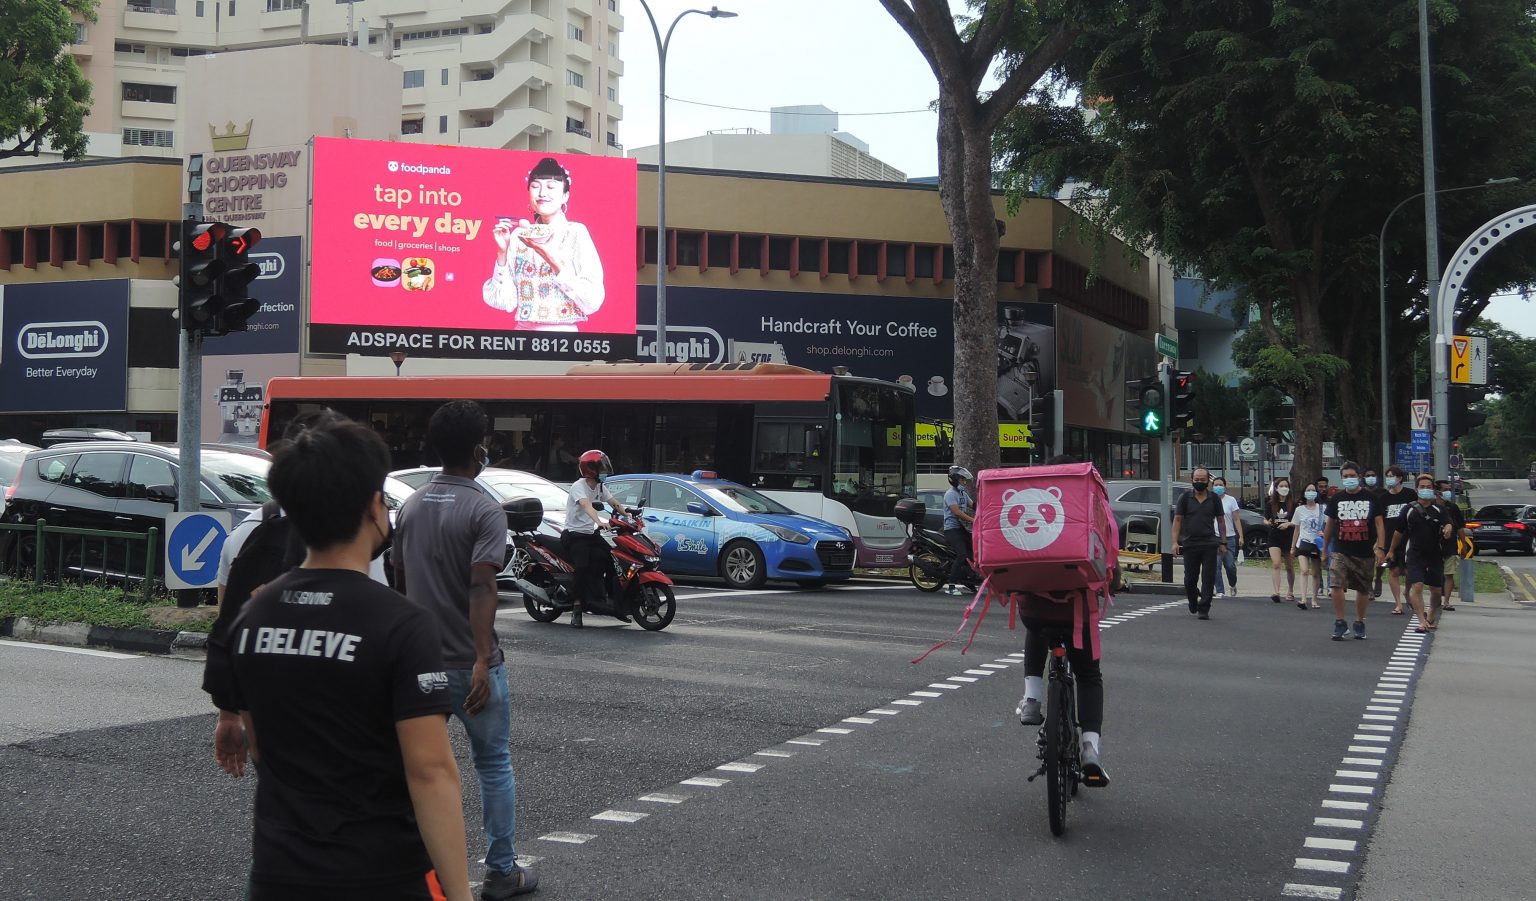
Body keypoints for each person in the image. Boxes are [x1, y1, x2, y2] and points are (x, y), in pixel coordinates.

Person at [226, 418, 473, 901]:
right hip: (381, 875)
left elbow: (260, 749)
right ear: (373, 506)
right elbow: (430, 771)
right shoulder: (401, 624)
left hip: (279, 872)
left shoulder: (253, 615)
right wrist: (460, 894)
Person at [394, 401, 539, 899]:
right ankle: (501, 871)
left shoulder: (410, 506)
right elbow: (482, 588)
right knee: (493, 763)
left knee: (418, 768)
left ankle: (415, 868)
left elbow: (400, 581)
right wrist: (481, 659)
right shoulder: (484, 509)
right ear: (480, 448)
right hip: (469, 664)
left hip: (418, 665)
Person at [1013, 454, 1110, 787]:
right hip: (1077, 614)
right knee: (1088, 675)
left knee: (1036, 626)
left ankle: (1032, 697)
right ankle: (1090, 749)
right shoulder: (1089, 507)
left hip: (1034, 611)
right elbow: (1107, 556)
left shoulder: (1027, 502)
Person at [483, 157, 605, 331]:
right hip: (522, 335)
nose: (542, 194)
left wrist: (548, 256)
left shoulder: (575, 233)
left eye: (551, 187)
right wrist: (501, 253)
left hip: (562, 336)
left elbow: (592, 300)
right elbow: (504, 302)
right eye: (535, 186)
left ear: (565, 196)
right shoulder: (519, 235)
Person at [1322, 461, 1386, 641]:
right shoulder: (1337, 499)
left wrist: (1380, 548)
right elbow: (1329, 525)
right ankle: (1340, 621)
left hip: (1365, 550)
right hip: (1341, 549)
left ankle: (1359, 621)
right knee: (1335, 583)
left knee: (1363, 588)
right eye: (1345, 477)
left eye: (1352, 476)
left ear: (1359, 477)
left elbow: (1380, 524)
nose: (1349, 479)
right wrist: (1325, 550)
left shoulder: (1371, 498)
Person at [1388, 473, 1452, 632]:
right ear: (1416, 489)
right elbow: (1398, 532)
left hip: (1435, 555)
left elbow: (1449, 523)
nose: (1425, 490)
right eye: (1422, 487)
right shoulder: (1408, 509)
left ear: (1433, 490)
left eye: (1428, 487)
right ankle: (1422, 621)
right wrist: (1390, 550)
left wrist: (1448, 529)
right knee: (1417, 586)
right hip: (1414, 554)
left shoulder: (1439, 509)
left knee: (1436, 591)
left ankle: (1431, 614)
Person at [564, 448, 620, 629]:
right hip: (575, 535)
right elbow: (587, 506)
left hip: (591, 535)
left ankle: (607, 597)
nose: (605, 471)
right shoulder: (578, 487)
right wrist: (599, 521)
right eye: (601, 467)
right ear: (591, 470)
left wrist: (628, 514)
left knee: (612, 558)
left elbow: (614, 502)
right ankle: (577, 607)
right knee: (582, 567)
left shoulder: (600, 486)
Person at [1172, 466, 1228, 619]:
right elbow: (1177, 520)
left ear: (1207, 481)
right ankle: (1192, 598)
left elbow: (1221, 521)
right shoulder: (1184, 498)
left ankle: (1204, 607)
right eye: (1196, 480)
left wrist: (1223, 543)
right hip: (1190, 543)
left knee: (1208, 577)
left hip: (1210, 543)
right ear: (1192, 480)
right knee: (1190, 578)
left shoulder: (1214, 499)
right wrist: (1174, 542)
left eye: (1202, 480)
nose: (1199, 482)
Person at [1376, 465, 1415, 614]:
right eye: (1388, 476)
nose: (1389, 479)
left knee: (1409, 571)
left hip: (1408, 539)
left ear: (1400, 478)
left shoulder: (1410, 494)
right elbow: (1380, 522)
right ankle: (1398, 603)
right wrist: (1379, 544)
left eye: (1392, 476)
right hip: (1390, 540)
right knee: (1393, 571)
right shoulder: (1383, 498)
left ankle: (1407, 591)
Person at [1436, 478, 1469, 614]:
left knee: (1449, 574)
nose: (1448, 492)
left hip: (1450, 546)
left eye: (1449, 490)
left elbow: (1460, 528)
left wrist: (1464, 545)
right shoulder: (1430, 507)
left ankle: (1446, 601)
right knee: (1435, 574)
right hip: (1433, 546)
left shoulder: (1453, 508)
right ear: (1437, 492)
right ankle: (1436, 599)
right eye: (1445, 490)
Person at [941, 465, 975, 596]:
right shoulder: (950, 494)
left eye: (964, 480)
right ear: (955, 480)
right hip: (952, 529)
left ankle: (970, 582)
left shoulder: (963, 494)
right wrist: (973, 520)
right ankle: (951, 586)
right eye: (962, 480)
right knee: (962, 555)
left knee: (973, 555)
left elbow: (973, 505)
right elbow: (957, 512)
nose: (964, 482)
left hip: (962, 529)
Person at [1293, 482, 1327, 608]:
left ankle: (1314, 599)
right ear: (1304, 493)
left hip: (1317, 543)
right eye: (1308, 490)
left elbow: (1329, 525)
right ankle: (1303, 598)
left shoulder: (1322, 508)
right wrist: (1293, 547)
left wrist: (1324, 533)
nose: (1311, 492)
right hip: (1303, 542)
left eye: (1313, 490)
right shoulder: (1299, 510)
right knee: (1304, 570)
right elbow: (1296, 529)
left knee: (1316, 572)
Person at [1264, 477, 1298, 604]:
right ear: (1276, 488)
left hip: (1288, 536)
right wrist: (1268, 522)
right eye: (1281, 486)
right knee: (1276, 563)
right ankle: (1276, 591)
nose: (1284, 488)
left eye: (1286, 486)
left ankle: (1290, 591)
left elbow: (1297, 522)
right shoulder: (1271, 504)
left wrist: (1288, 524)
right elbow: (1265, 519)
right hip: (1274, 536)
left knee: (1289, 566)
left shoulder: (1293, 504)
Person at [1211, 476, 1244, 598]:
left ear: (1225, 486)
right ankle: (1220, 590)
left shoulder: (1231, 500)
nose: (1218, 487)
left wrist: (1241, 536)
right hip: (1214, 537)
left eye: (1220, 485)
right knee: (1216, 565)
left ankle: (1233, 584)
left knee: (1230, 565)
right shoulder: (1210, 500)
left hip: (1229, 537)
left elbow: (1236, 518)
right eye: (1216, 485)